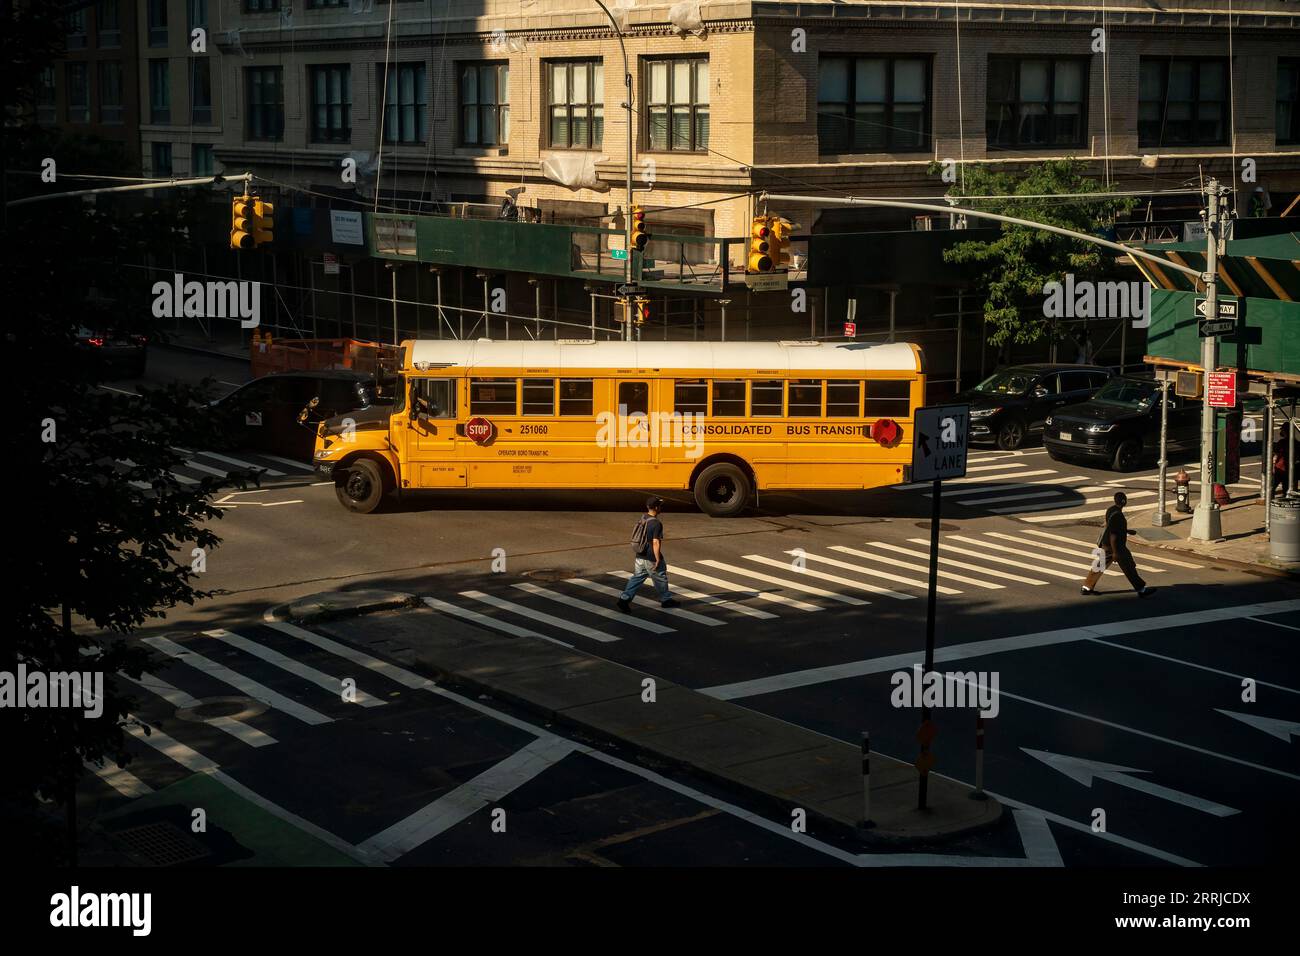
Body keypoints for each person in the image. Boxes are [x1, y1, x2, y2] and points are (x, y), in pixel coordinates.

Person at [1081, 491, 1153, 597]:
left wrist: (1126, 531)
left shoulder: (1111, 510)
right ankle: (1141, 589)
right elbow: (1113, 534)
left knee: (1100, 565)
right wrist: (1115, 553)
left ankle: (1087, 587)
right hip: (1115, 546)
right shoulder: (1118, 516)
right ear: (1124, 501)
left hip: (1106, 543)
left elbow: (1111, 527)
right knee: (1128, 566)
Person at [618, 497, 679, 612]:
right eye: (660, 506)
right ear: (656, 508)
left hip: (640, 555)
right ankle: (666, 600)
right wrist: (657, 559)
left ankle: (624, 599)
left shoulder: (643, 518)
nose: (661, 508)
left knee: (637, 578)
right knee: (660, 577)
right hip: (651, 556)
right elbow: (656, 542)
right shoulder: (656, 523)